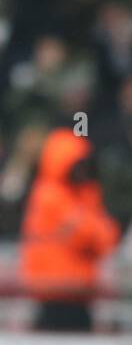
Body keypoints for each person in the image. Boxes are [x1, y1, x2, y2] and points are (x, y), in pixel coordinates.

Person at [20, 128, 121, 331]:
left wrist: (91, 223)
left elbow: (108, 240)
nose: (82, 171)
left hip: (80, 294)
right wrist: (93, 224)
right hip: (53, 294)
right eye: (76, 165)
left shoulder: (85, 194)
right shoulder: (48, 194)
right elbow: (86, 235)